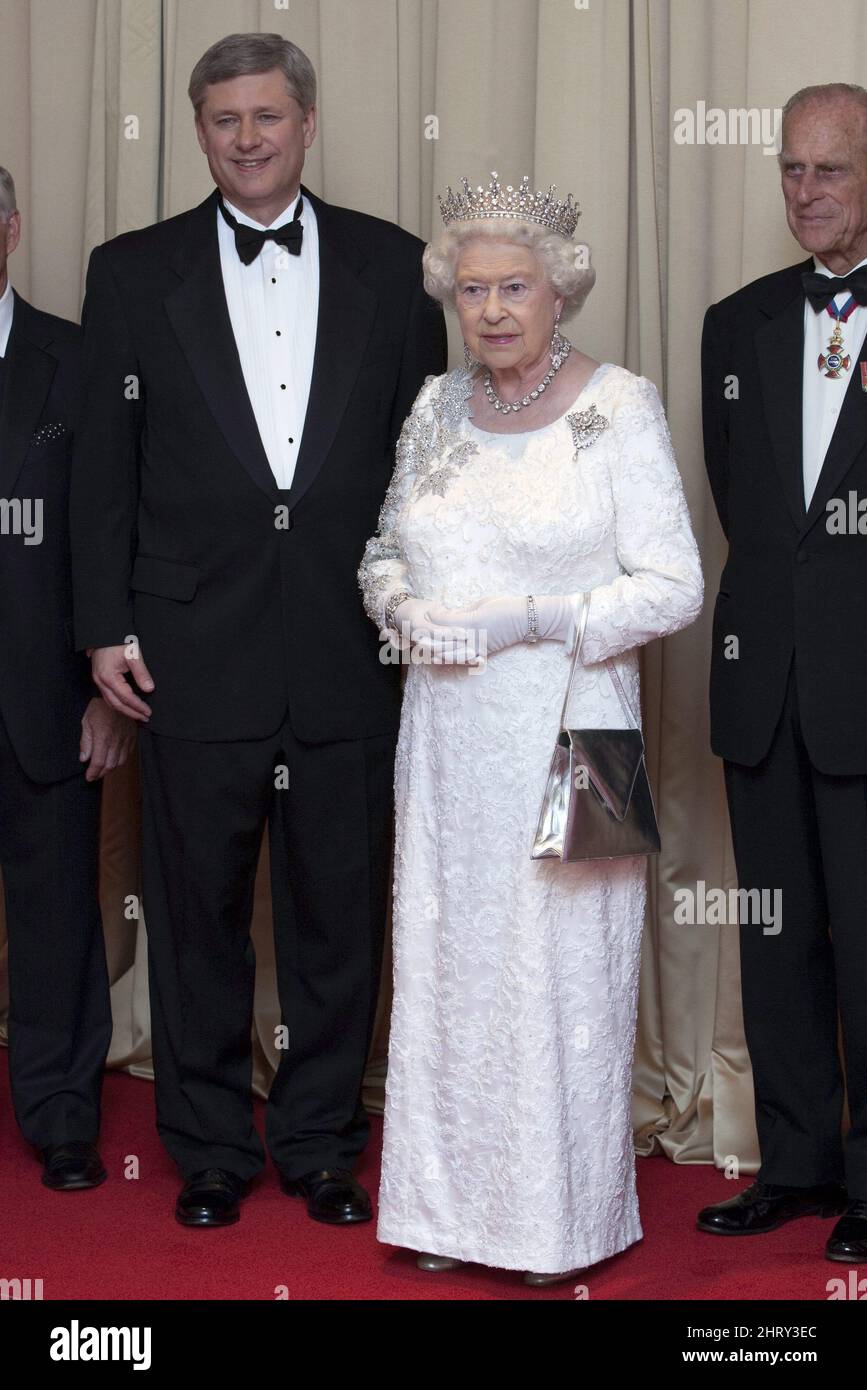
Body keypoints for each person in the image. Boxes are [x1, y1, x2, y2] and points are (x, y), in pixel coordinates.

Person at [69, 32, 446, 1228]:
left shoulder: (396, 269)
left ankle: (324, 1141)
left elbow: (424, 473)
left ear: (308, 121)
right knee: (195, 915)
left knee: (340, 911)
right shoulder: (131, 272)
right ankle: (212, 1148)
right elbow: (100, 475)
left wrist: (419, 622)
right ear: (198, 130)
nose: (247, 137)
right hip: (192, 649)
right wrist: (101, 629)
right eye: (224, 118)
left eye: (267, 116)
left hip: (348, 646)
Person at [358, 171, 703, 1283]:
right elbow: (382, 553)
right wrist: (402, 608)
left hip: (575, 736)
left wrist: (535, 617)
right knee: (453, 969)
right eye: (471, 291)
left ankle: (562, 1229)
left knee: (562, 984)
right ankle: (448, 1218)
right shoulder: (432, 408)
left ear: (560, 291)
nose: (493, 309)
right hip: (450, 745)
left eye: (514, 286)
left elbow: (674, 586)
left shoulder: (621, 406)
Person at [699, 82, 867, 1262]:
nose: (806, 194)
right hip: (764, 688)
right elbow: (748, 514)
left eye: (833, 171)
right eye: (792, 171)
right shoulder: (736, 322)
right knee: (780, 939)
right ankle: (796, 1165)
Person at [0, 166, 134, 1190]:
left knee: (54, 914)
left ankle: (60, 1114)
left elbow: (113, 532)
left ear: (7, 232)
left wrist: (106, 687)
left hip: (43, 701)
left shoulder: (77, 361)